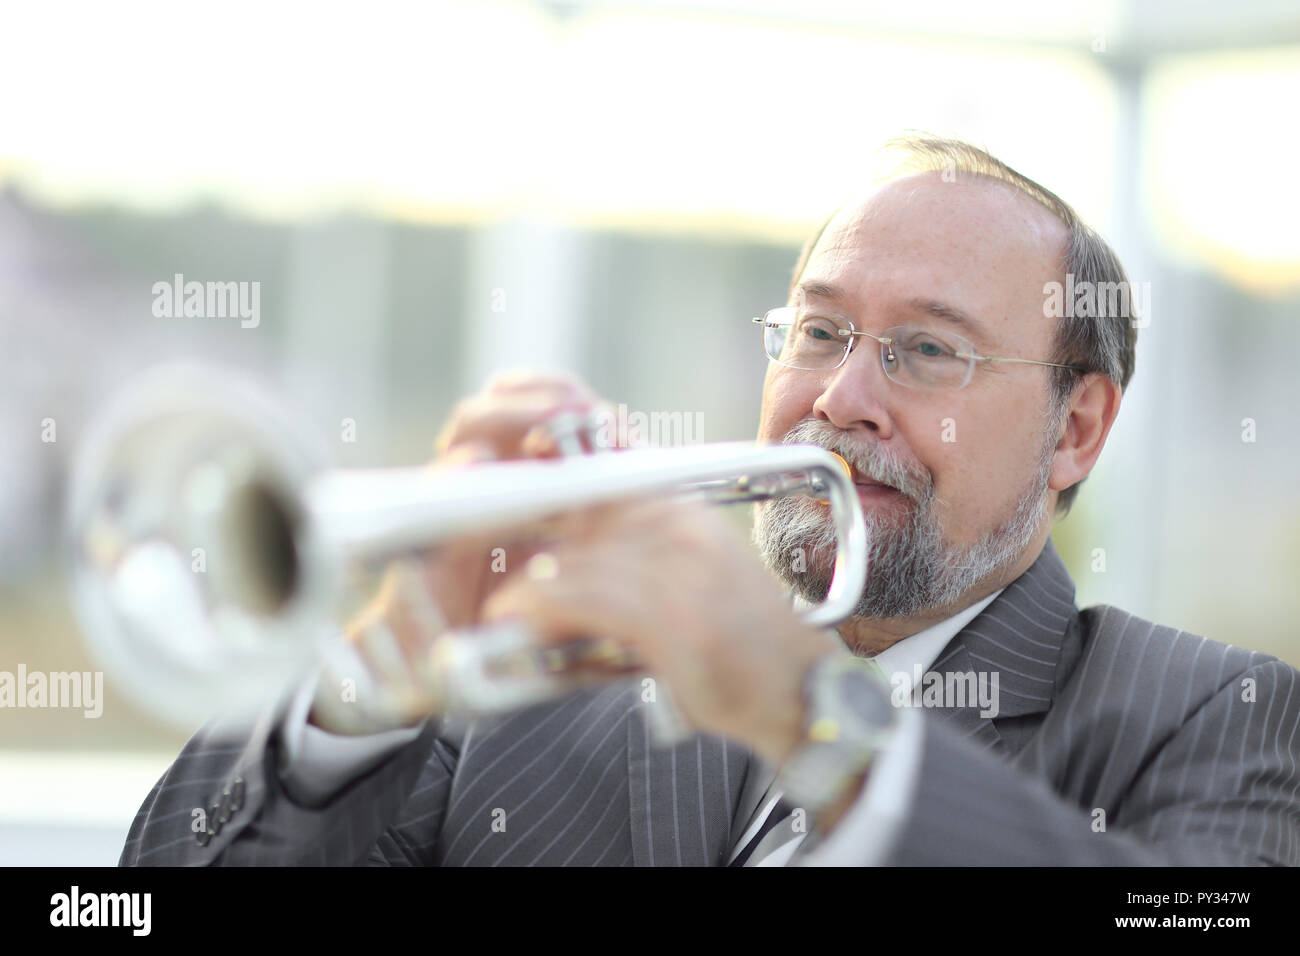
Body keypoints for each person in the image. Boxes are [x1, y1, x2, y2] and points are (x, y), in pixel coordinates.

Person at [120, 135, 1300, 866]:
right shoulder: (530, 697)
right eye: (821, 330)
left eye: (927, 350)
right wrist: (380, 670)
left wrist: (811, 717)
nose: (842, 396)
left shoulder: (1217, 717)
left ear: (1075, 426)